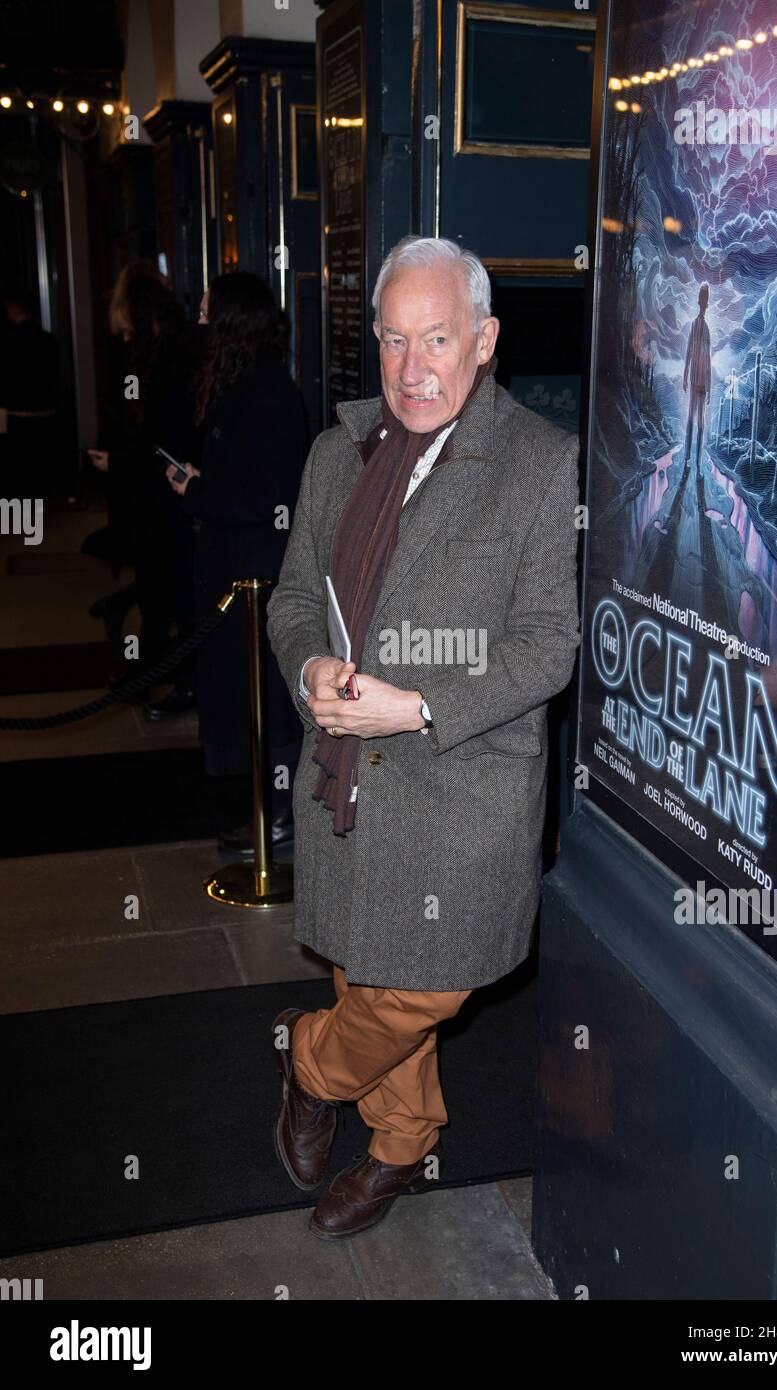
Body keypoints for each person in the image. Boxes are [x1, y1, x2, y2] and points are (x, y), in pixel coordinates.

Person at [266, 235, 580, 1238]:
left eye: (436, 339)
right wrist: (312, 667)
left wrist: (415, 705)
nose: (412, 369)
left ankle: (311, 1065)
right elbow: (289, 603)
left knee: (425, 985)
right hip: (345, 773)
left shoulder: (539, 461)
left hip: (464, 785)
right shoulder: (338, 449)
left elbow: (546, 649)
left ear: (483, 340)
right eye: (393, 340)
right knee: (370, 963)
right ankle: (401, 1141)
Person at [167, 273, 308, 855]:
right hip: (234, 571)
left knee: (265, 696)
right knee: (244, 693)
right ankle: (263, 809)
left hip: (256, 576)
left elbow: (263, 497)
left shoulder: (269, 391)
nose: (198, 325)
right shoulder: (243, 384)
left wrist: (194, 493)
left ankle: (277, 815)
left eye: (207, 315)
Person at [88, 262, 200, 704]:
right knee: (162, 588)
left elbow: (152, 433)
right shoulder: (168, 353)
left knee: (166, 589)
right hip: (160, 492)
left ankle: (164, 676)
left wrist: (118, 461)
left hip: (164, 494)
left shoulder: (159, 361)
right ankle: (154, 672)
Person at [0, 285, 61, 500]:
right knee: (37, 468)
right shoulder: (47, 340)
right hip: (46, 413)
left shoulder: (8, 341)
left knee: (19, 471)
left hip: (18, 416)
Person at [682, 281, 712, 473]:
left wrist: (709, 386)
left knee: (700, 423)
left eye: (706, 299)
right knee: (691, 421)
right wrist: (685, 375)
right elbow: (688, 351)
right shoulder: (695, 324)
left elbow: (708, 359)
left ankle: (698, 462)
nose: (704, 302)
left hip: (701, 383)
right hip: (694, 381)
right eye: (702, 298)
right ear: (699, 301)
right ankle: (687, 459)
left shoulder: (707, 328)